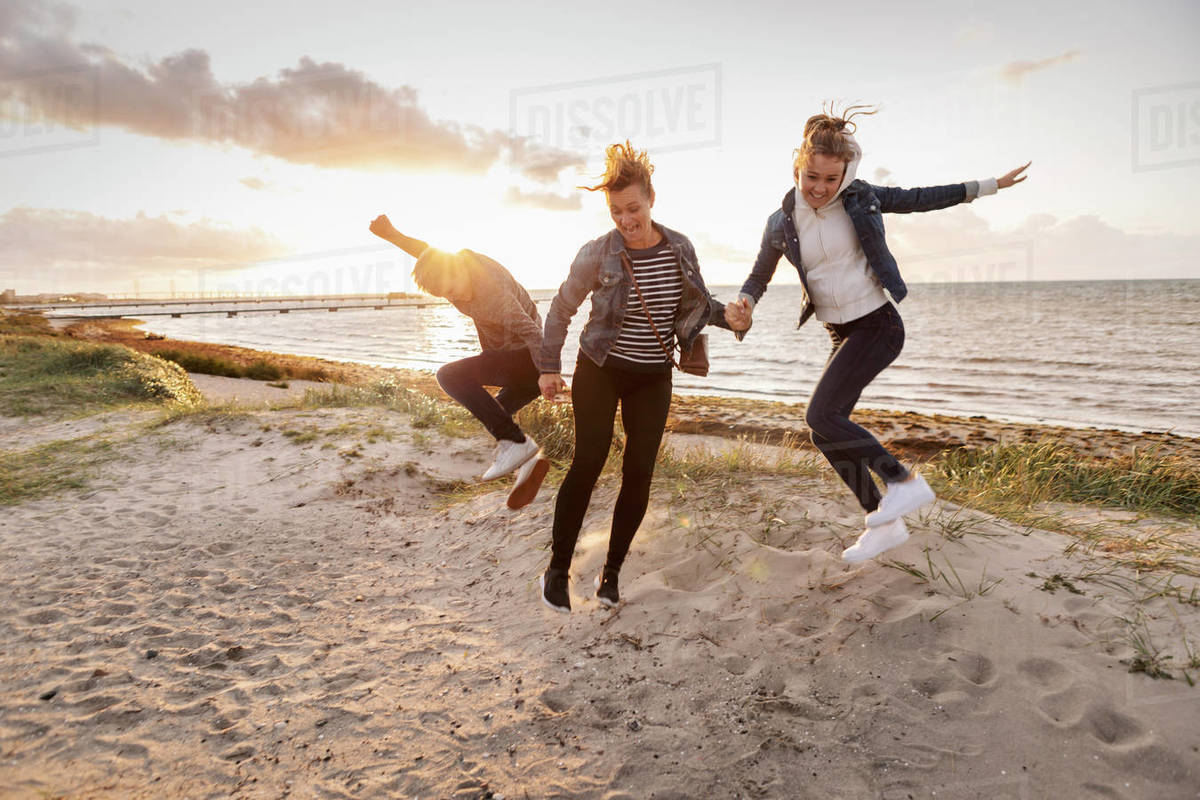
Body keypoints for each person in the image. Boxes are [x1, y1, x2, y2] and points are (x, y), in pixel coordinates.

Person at [724, 106, 1029, 563]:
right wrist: (745, 302)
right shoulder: (781, 222)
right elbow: (758, 276)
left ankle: (903, 481)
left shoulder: (861, 197)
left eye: (831, 179)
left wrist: (989, 185)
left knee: (821, 414)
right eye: (812, 177)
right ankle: (882, 521)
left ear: (846, 175)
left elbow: (923, 197)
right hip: (839, 331)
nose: (821, 188)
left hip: (879, 325)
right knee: (824, 430)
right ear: (796, 169)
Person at [537, 141, 743, 613]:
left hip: (652, 375)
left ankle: (610, 576)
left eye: (633, 208)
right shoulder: (597, 253)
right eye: (616, 212)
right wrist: (549, 367)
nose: (626, 220)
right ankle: (556, 571)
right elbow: (562, 308)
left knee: (639, 472)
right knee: (588, 461)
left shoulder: (680, 247)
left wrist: (731, 318)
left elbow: (697, 307)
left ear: (651, 197)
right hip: (600, 367)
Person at [368, 215, 550, 509]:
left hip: (527, 362)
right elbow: (426, 252)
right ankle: (527, 464)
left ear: (460, 271)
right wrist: (391, 234)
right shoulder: (453, 265)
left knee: (449, 376)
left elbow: (532, 331)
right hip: (518, 366)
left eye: (453, 290)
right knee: (496, 414)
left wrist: (549, 374)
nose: (456, 297)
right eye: (446, 295)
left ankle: (517, 446)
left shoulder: (493, 295)